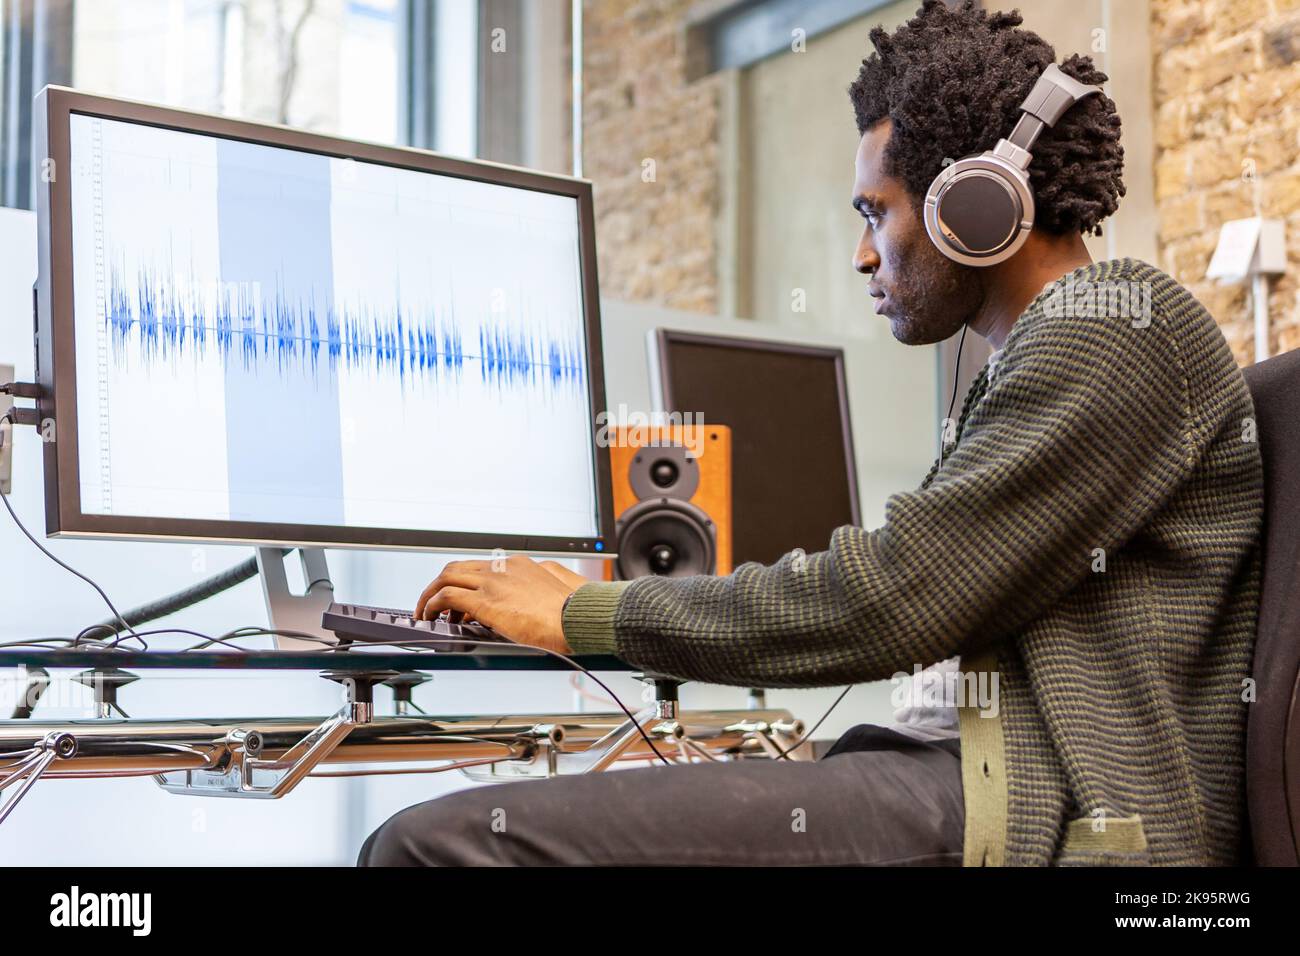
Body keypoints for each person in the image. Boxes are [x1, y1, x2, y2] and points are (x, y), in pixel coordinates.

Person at [358, 0, 1261, 867]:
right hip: (972, 778)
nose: (865, 253)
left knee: (434, 843)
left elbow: (890, 598)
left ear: (973, 209)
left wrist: (582, 614)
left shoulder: (1119, 326)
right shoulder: (1062, 344)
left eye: (877, 211)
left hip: (1042, 812)